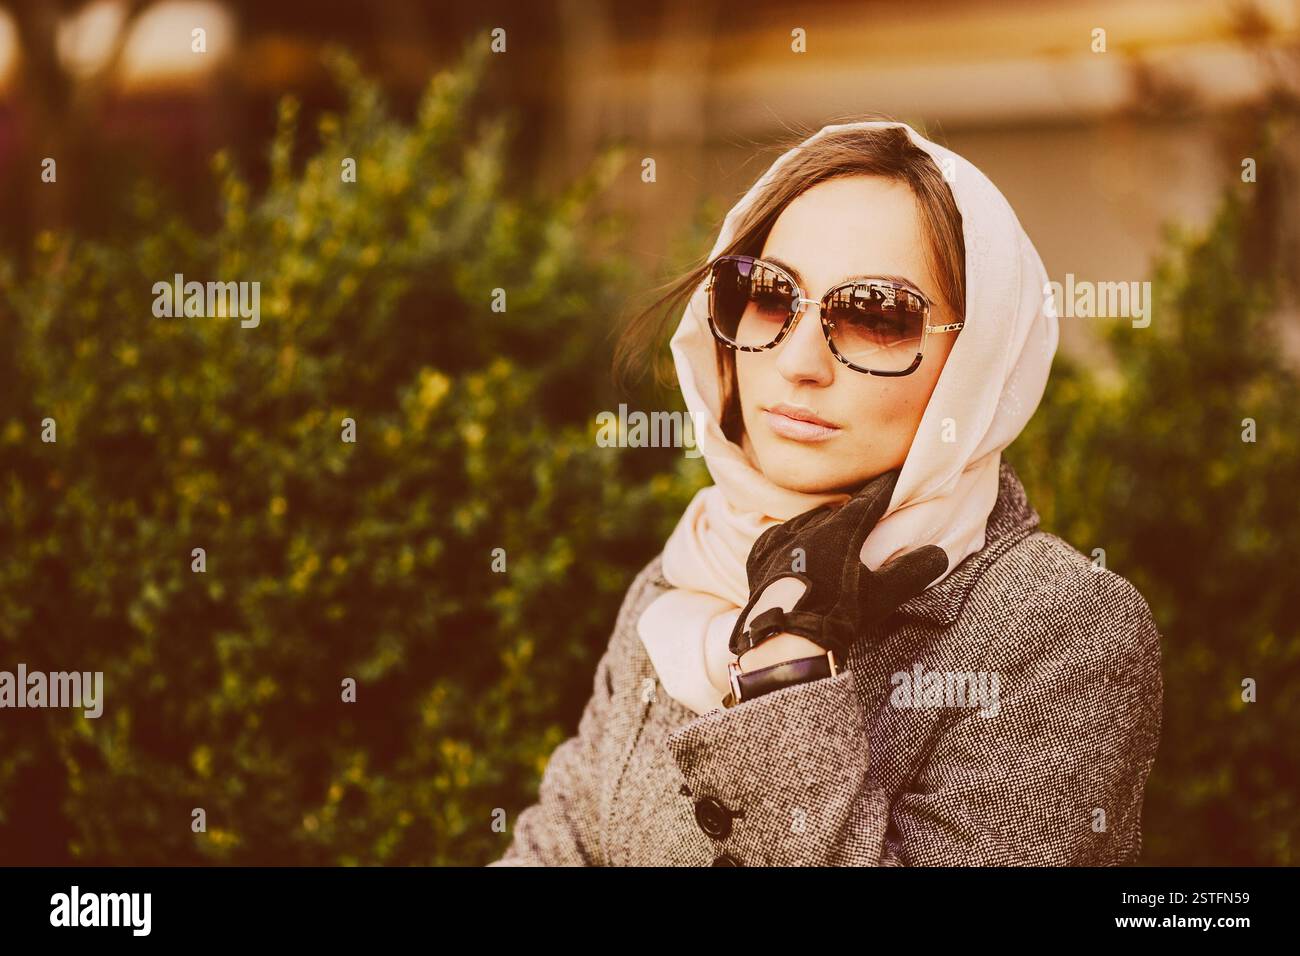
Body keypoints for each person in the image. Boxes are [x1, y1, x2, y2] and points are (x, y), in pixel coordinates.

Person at [489, 119, 1163, 867]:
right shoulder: (684, 576)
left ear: (975, 363)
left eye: (876, 315)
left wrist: (790, 669)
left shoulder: (1061, 630)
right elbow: (554, 849)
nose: (798, 360)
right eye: (771, 296)